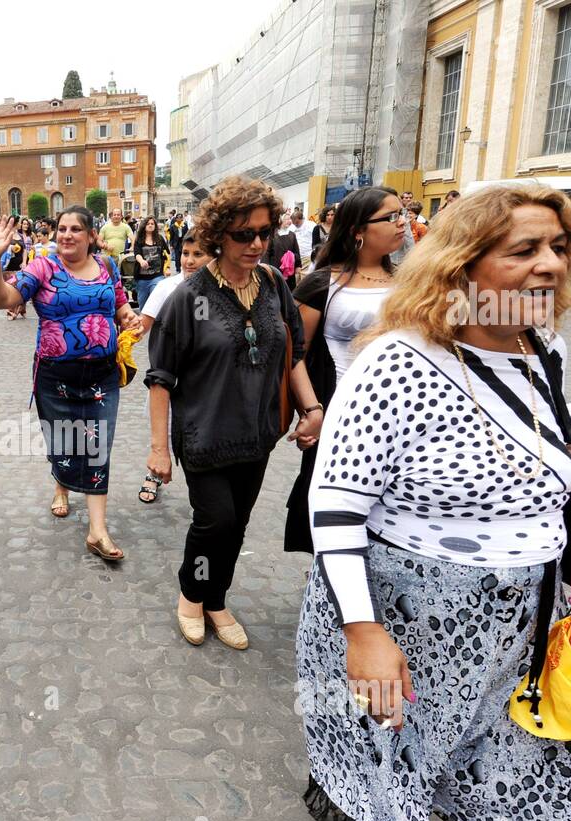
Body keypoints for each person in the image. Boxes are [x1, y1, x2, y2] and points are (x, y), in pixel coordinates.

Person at [298, 183, 571, 821]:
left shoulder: (547, 348)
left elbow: (531, 429)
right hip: (409, 614)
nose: (551, 263)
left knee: (521, 744)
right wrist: (363, 631)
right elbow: (335, 504)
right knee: (398, 745)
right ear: (463, 263)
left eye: (559, 247)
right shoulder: (397, 361)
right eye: (524, 250)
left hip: (525, 615)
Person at [145, 176, 323, 650]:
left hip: (257, 431)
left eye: (264, 232)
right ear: (219, 234)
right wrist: (159, 450)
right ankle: (191, 593)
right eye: (244, 234)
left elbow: (295, 353)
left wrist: (312, 408)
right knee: (215, 521)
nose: (257, 243)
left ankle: (217, 598)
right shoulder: (189, 298)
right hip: (203, 432)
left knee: (238, 523)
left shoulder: (273, 284)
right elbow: (160, 378)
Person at [0, 206, 141, 559]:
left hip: (102, 373)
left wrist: (130, 319)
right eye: (61, 228)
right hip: (56, 376)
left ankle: (97, 531)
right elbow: (2, 301)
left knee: (98, 444)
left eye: (75, 229)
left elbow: (119, 306)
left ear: (90, 236)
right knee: (67, 443)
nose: (67, 235)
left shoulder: (107, 267)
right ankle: (62, 486)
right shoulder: (43, 266)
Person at [282, 187, 407, 554]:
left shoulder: (412, 282)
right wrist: (312, 410)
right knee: (337, 508)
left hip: (404, 416)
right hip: (343, 415)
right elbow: (293, 354)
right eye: (391, 217)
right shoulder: (324, 284)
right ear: (358, 230)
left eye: (403, 214)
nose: (403, 223)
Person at [135, 233, 213, 505]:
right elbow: (141, 326)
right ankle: (153, 474)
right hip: (168, 377)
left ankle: (203, 487)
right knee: (164, 429)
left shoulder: (218, 290)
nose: (189, 261)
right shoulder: (166, 287)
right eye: (185, 253)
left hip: (205, 381)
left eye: (198, 254)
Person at [131, 215, 170, 309]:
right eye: (148, 224)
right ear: (144, 226)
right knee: (143, 305)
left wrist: (167, 268)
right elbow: (137, 254)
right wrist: (141, 261)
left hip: (157, 275)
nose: (150, 225)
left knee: (155, 298)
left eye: (152, 224)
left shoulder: (160, 238)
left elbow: (167, 254)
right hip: (142, 278)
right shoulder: (139, 239)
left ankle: (155, 322)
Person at [270, 212, 300, 284]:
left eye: (290, 219)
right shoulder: (273, 234)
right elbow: (267, 253)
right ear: (280, 220)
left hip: (289, 268)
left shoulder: (292, 234)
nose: (289, 221)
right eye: (287, 219)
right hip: (275, 267)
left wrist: (298, 265)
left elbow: (296, 250)